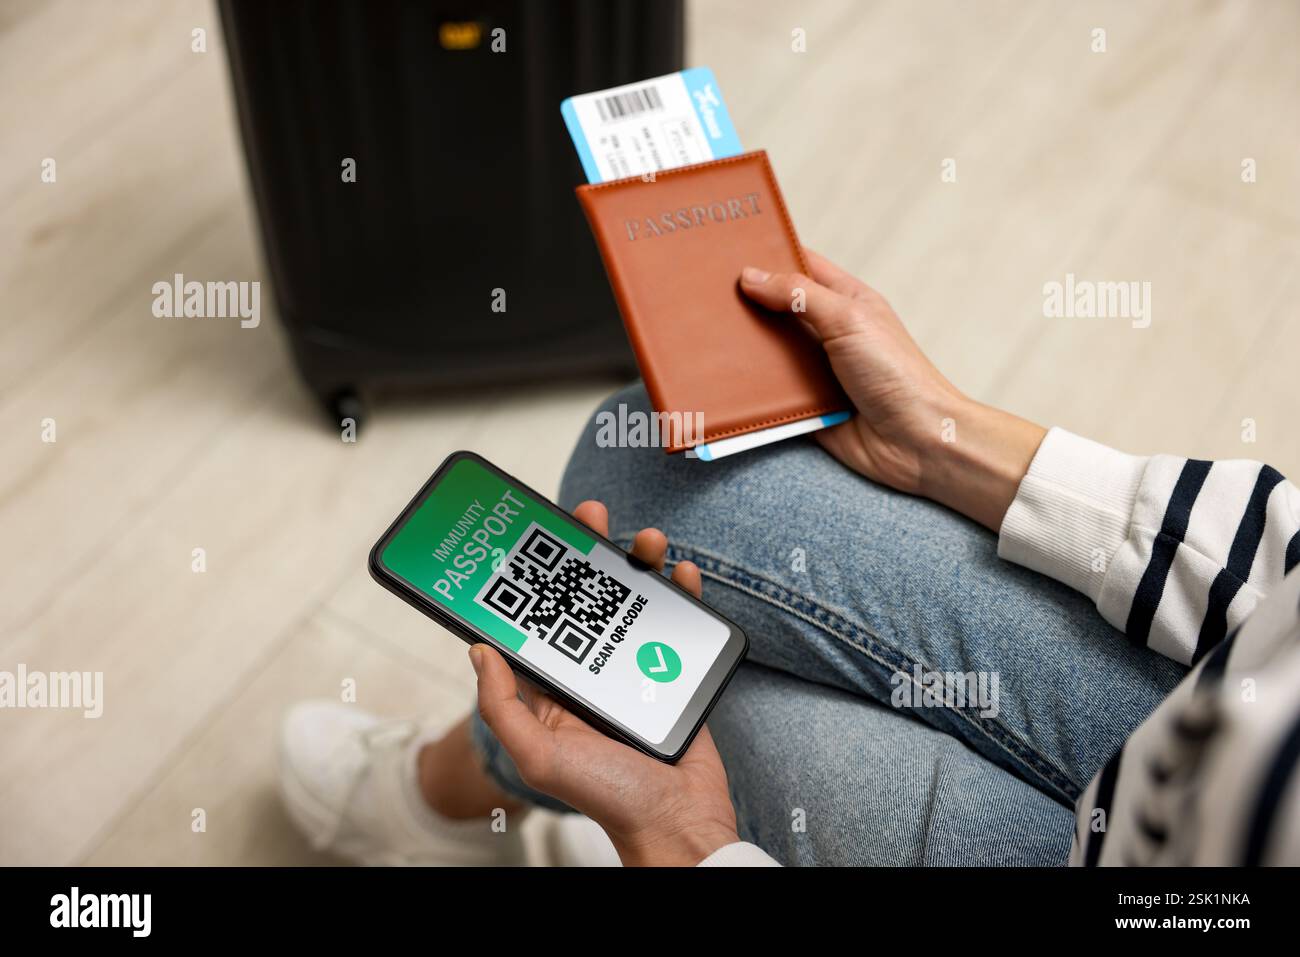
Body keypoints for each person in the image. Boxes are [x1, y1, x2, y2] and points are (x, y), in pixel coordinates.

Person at [277, 251, 1300, 866]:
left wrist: (685, 844)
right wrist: (940, 437)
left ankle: (464, 790)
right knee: (658, 460)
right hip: (1232, 697)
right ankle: (524, 783)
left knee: (673, 705)